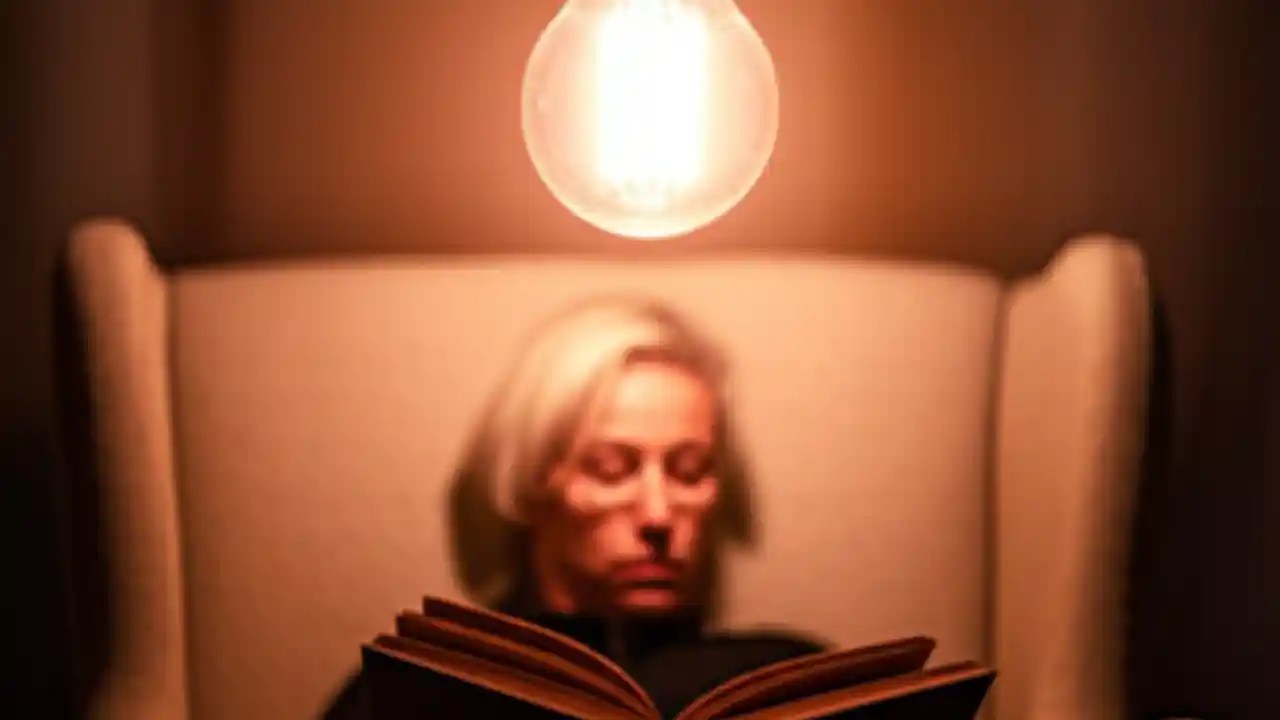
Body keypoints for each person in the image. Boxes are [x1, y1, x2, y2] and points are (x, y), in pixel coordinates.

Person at [326, 297, 824, 719]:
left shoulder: (788, 686)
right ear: (531, 480)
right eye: (610, 469)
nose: (657, 516)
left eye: (690, 472)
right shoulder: (411, 694)